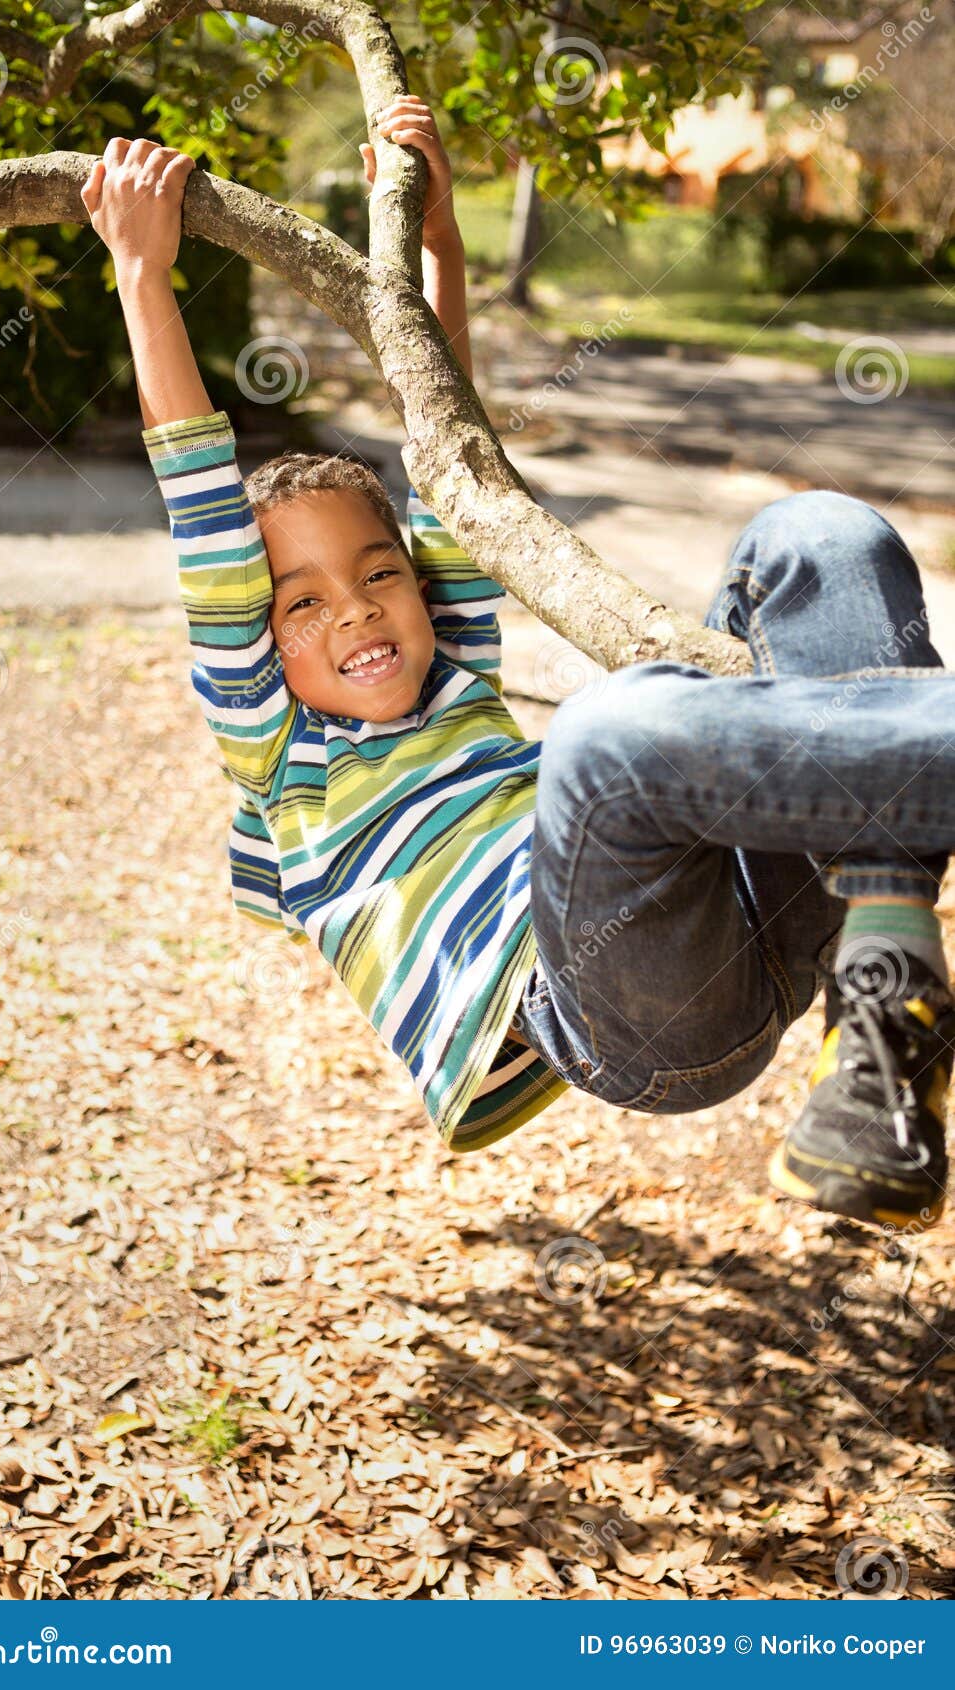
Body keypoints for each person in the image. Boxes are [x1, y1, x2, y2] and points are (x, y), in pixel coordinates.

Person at [82, 99, 955, 1234]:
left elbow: (448, 447)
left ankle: (885, 1009)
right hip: (621, 1013)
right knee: (604, 737)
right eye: (302, 603)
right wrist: (142, 277)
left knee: (822, 535)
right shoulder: (280, 755)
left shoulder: (457, 672)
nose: (354, 611)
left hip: (782, 912)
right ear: (259, 634)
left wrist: (441, 241)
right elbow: (201, 507)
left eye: (378, 573)